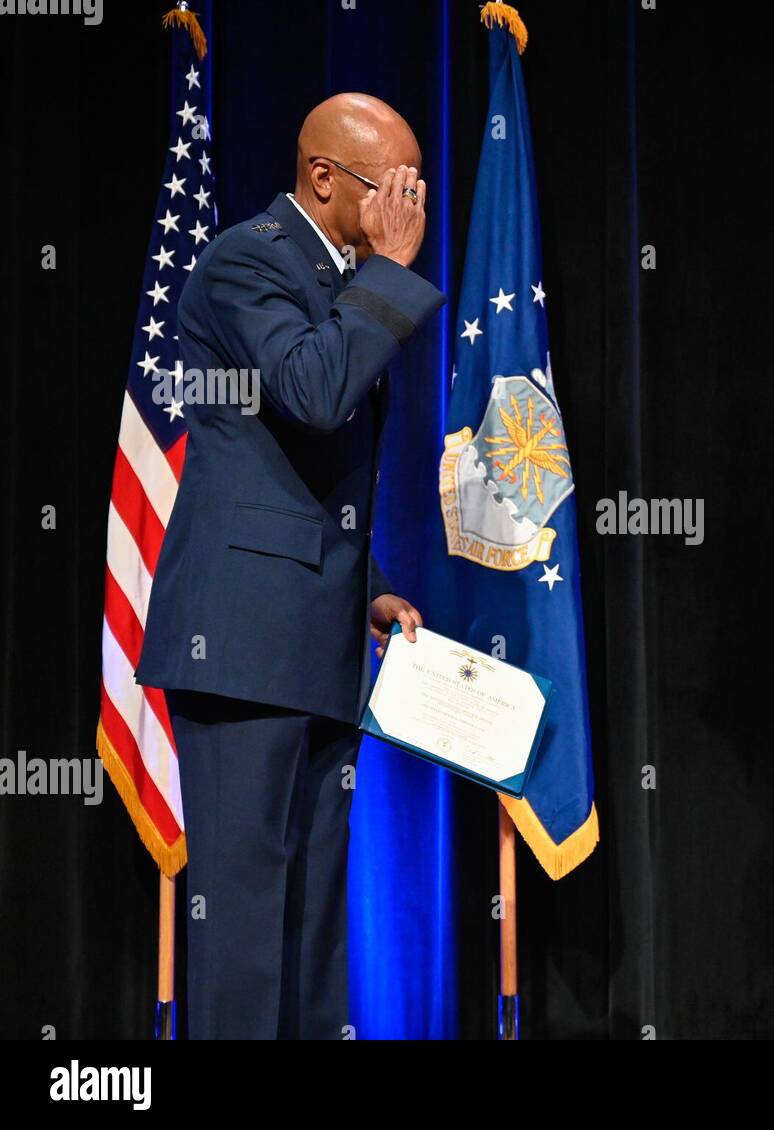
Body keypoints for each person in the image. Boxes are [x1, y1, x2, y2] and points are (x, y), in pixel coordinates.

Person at [135, 93, 446, 1039]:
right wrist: (390, 271)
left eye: (416, 186)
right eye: (393, 184)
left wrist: (373, 581)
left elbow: (307, 475)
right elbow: (313, 391)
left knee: (313, 918)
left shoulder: (336, 277)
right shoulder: (248, 260)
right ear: (323, 179)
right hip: (237, 643)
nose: (410, 205)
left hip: (315, 639)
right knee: (243, 921)